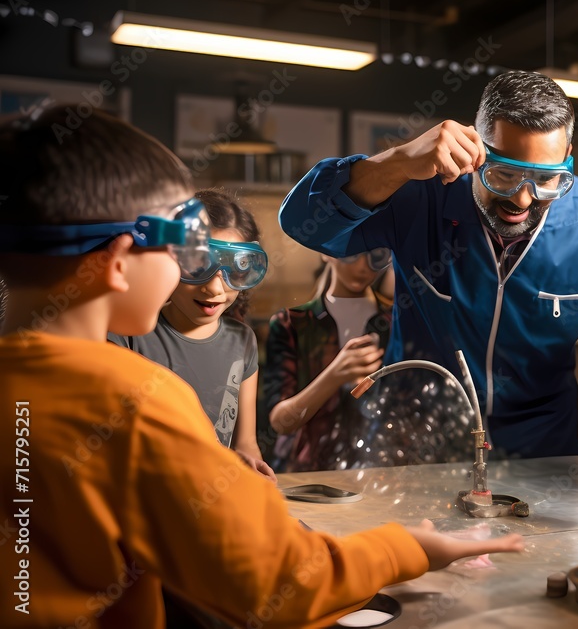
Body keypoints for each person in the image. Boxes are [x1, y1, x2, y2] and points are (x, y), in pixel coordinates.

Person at [0, 106, 524, 628]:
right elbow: (279, 585)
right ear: (119, 261)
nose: (206, 278)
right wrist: (404, 549)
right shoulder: (136, 400)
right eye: (184, 250)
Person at [278, 70, 578, 458]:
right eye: (503, 174)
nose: (522, 200)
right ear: (475, 148)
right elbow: (303, 224)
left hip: (539, 454)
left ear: (568, 159)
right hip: (418, 443)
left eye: (545, 179)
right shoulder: (422, 198)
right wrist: (397, 162)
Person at [109, 188, 274, 481]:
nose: (214, 288)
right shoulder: (128, 335)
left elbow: (245, 442)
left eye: (233, 270)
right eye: (198, 265)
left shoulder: (243, 340)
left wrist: (256, 476)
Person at [262, 249, 391, 471]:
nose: (362, 267)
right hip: (306, 474)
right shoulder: (291, 324)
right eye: (350, 252)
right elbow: (279, 422)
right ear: (326, 251)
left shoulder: (395, 322)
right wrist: (334, 375)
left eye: (376, 256)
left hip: (378, 469)